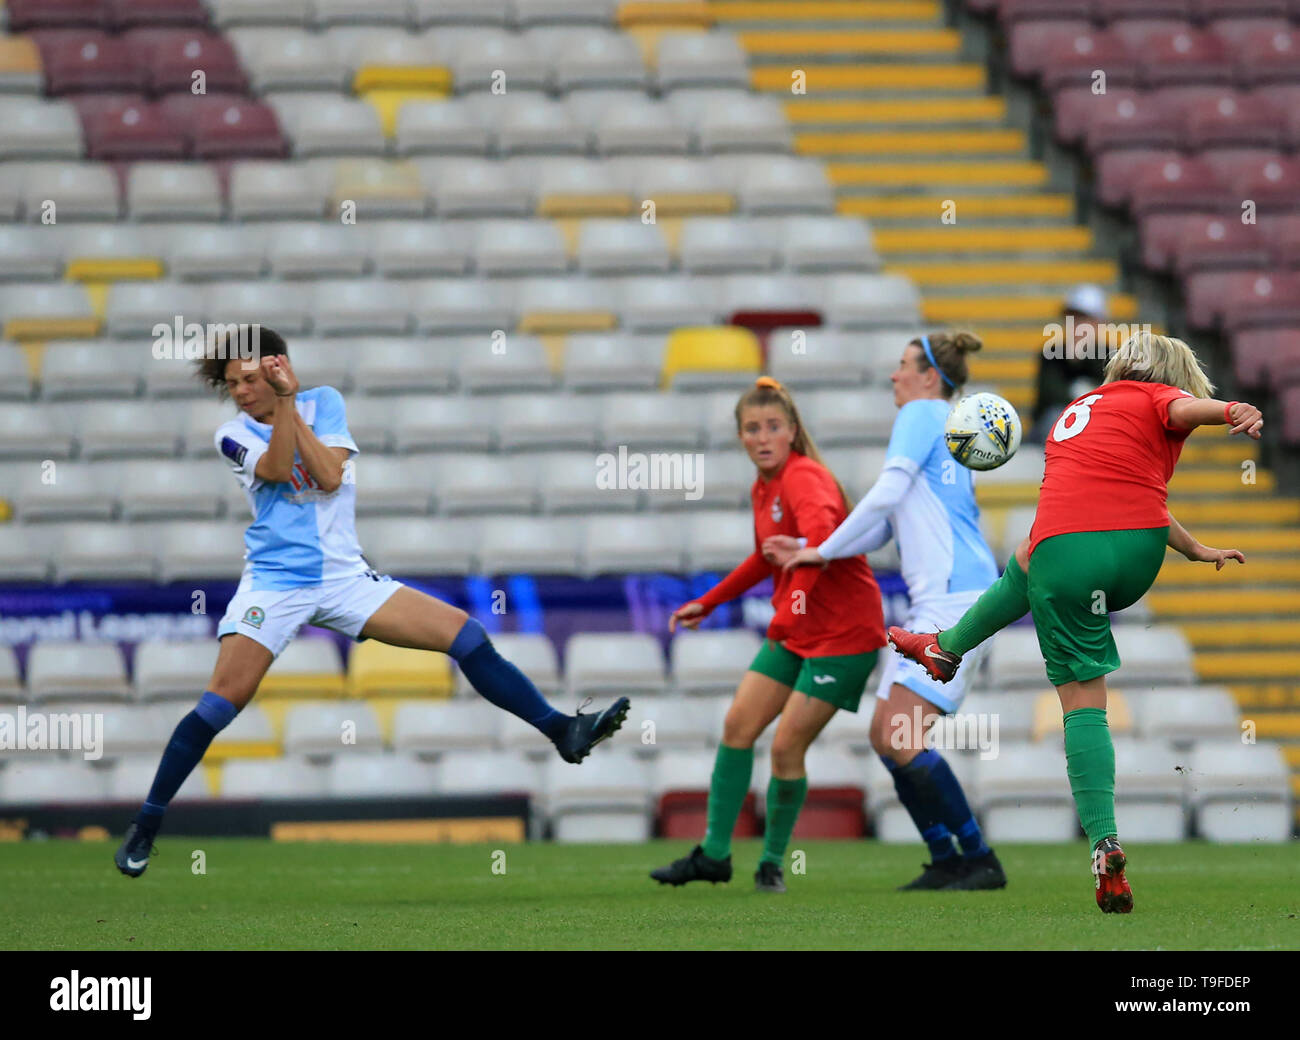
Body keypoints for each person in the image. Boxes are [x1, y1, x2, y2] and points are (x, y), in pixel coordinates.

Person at [115, 330, 629, 878]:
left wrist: (291, 402)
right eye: (232, 383)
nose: (239, 391)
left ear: (276, 368)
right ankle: (147, 822)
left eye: (248, 379)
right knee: (221, 704)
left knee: (467, 635)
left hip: (344, 577)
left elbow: (330, 478)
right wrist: (286, 405)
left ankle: (562, 732)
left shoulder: (324, 401)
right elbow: (278, 468)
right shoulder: (230, 434)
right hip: (274, 582)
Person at [887, 332, 1262, 913]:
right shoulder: (1153, 401)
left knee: (1082, 698)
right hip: (1135, 552)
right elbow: (1161, 458)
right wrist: (1196, 548)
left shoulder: (1082, 409)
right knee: (1027, 558)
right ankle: (947, 647)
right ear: (1167, 374)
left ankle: (1103, 840)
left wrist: (1227, 411)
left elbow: (1182, 411)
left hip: (1072, 554)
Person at [766, 332, 1007, 892]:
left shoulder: (923, 412)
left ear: (929, 377)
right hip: (946, 599)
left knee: (900, 736)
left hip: (957, 601)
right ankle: (948, 857)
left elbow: (884, 492)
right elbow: (883, 520)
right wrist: (818, 549)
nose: (893, 377)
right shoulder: (941, 420)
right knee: (886, 734)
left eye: (903, 366)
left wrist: (819, 551)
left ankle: (978, 858)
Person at [651, 376, 886, 893]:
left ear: (793, 431)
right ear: (739, 436)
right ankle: (714, 855)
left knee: (784, 749)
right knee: (738, 726)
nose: (762, 437)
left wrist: (786, 614)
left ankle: (773, 863)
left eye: (772, 426)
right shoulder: (764, 486)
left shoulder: (805, 479)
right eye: (751, 428)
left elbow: (818, 546)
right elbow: (767, 556)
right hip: (797, 630)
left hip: (844, 636)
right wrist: (709, 602)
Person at [1030, 285, 1110, 443]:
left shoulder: (1112, 356)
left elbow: (1111, 398)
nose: (1076, 325)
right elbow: (1049, 396)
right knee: (1055, 417)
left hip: (1096, 429)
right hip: (1054, 428)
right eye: (1072, 318)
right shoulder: (1050, 354)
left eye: (1083, 318)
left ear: (1099, 323)